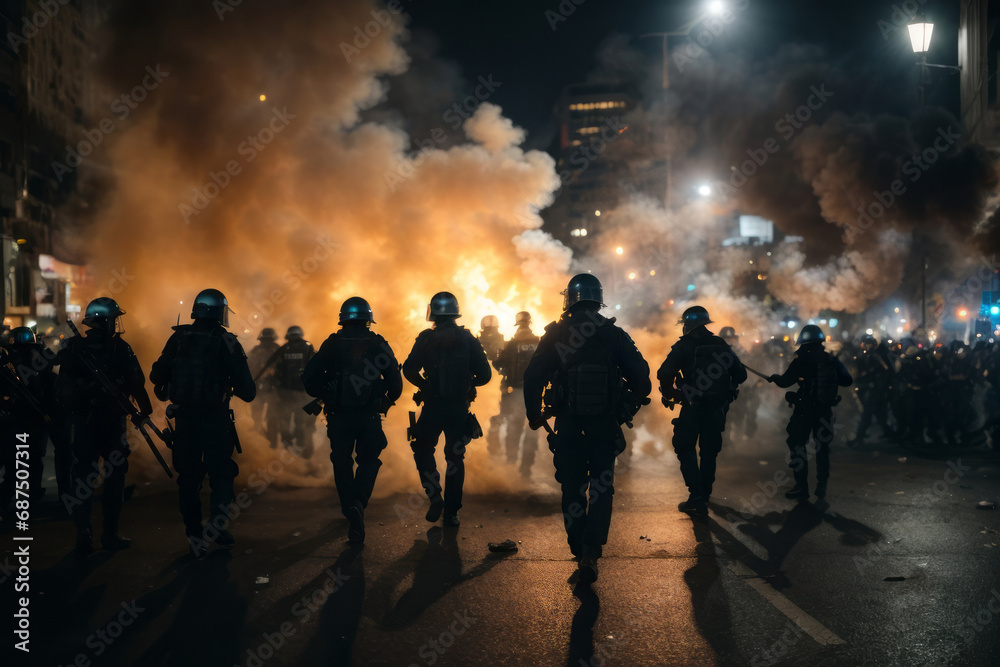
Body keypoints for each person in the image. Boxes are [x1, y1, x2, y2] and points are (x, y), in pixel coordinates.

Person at [523, 274, 651, 583]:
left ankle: (578, 544)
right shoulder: (614, 334)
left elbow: (532, 377)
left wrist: (534, 414)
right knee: (602, 487)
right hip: (604, 425)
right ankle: (592, 548)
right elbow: (643, 382)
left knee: (572, 484)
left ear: (569, 300)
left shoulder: (556, 334)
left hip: (568, 424)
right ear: (598, 301)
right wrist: (624, 404)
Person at [150, 288, 255, 557]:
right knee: (221, 473)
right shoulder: (226, 341)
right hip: (214, 418)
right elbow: (249, 391)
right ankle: (217, 524)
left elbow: (156, 376)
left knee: (188, 476)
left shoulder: (178, 338)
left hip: (184, 419)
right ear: (221, 312)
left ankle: (194, 532)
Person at [55, 298, 152, 553]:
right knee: (114, 479)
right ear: (107, 321)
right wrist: (145, 411)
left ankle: (83, 532)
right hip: (111, 423)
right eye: (113, 319)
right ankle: (109, 535)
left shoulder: (74, 347)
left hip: (85, 424)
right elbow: (136, 383)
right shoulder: (119, 348)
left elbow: (61, 386)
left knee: (84, 477)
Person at [302, 297, 402, 544]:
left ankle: (349, 508)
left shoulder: (332, 343)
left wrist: (325, 391)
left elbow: (309, 379)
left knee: (342, 461)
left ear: (343, 318)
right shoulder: (378, 344)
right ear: (368, 319)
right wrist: (385, 400)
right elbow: (396, 382)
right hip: (369, 416)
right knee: (369, 459)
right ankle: (359, 503)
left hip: (339, 416)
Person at [403, 292, 491, 528]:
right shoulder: (467, 338)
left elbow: (409, 369)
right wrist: (468, 382)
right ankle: (451, 514)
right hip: (458, 410)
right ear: (455, 312)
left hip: (433, 407)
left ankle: (434, 496)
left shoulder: (426, 338)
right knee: (455, 459)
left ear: (433, 313)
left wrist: (425, 385)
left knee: (422, 449)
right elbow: (485, 375)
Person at [658, 307, 746, 515]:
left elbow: (664, 372)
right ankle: (704, 495)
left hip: (693, 407)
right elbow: (741, 375)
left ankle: (696, 496)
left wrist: (673, 394)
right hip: (716, 409)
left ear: (687, 325)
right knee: (709, 452)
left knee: (684, 447)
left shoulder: (684, 345)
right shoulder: (721, 345)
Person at [768, 324, 853, 501]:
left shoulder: (801, 360)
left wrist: (774, 378)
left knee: (797, 444)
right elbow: (847, 380)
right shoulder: (831, 360)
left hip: (805, 410)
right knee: (822, 449)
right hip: (825, 410)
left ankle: (801, 487)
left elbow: (785, 381)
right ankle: (822, 487)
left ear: (805, 342)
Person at [0, 327, 56, 515]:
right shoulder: (10, 361)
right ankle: (24, 496)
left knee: (20, 461)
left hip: (27, 415)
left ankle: (22, 496)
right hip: (22, 417)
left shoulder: (17, 358)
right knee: (24, 460)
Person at [494, 311, 541, 475]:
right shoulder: (539, 342)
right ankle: (526, 470)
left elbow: (498, 364)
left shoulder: (512, 344)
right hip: (535, 393)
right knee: (532, 431)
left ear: (518, 325)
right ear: (530, 323)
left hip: (515, 393)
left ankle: (511, 464)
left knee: (514, 429)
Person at [263, 326, 317, 458]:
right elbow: (317, 368)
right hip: (303, 395)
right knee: (301, 424)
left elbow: (272, 369)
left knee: (285, 423)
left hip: (285, 395)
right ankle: (303, 456)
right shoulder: (308, 348)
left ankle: (288, 450)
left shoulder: (283, 350)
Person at [248, 327, 280, 447]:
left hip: (273, 388)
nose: (266, 342)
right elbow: (250, 367)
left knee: (273, 418)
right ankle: (259, 441)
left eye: (268, 339)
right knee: (256, 416)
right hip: (259, 387)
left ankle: (272, 443)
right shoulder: (256, 350)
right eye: (264, 339)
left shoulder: (278, 350)